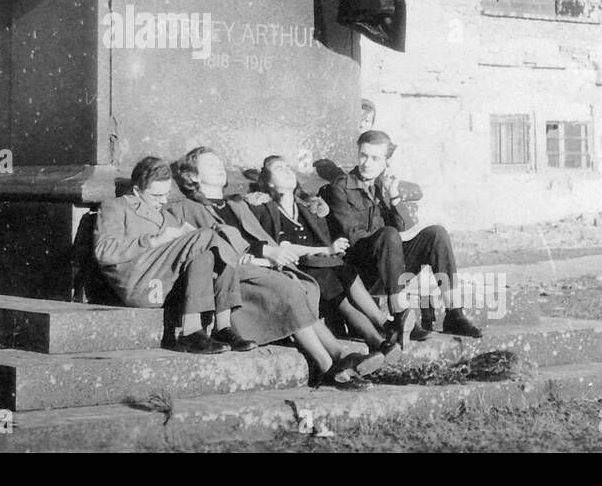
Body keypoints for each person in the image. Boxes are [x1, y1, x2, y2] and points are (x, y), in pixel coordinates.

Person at [167, 147, 379, 389]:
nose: (219, 168)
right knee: (288, 289)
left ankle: (338, 357)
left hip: (264, 269)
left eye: (220, 163)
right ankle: (326, 364)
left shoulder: (237, 205)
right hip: (232, 277)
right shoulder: (184, 208)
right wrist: (259, 257)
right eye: (210, 165)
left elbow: (262, 239)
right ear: (192, 176)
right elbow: (201, 250)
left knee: (300, 286)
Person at [321, 130, 483, 342]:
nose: (367, 163)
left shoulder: (382, 186)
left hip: (391, 266)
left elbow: (404, 228)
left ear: (386, 162)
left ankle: (454, 313)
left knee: (436, 234)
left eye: (375, 158)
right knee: (388, 235)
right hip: (362, 271)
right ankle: (400, 316)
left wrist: (394, 196)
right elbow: (354, 238)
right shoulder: (340, 188)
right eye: (363, 155)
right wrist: (390, 240)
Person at [94, 157, 255, 354]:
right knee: (206, 236)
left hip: (167, 282)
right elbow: (104, 251)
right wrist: (154, 240)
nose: (163, 201)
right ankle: (192, 330)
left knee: (208, 249)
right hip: (140, 282)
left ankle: (219, 327)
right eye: (156, 195)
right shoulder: (116, 207)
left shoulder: (165, 214)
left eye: (166, 194)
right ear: (136, 191)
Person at [249, 156, 405, 358]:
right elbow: (280, 247)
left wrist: (330, 249)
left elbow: (321, 240)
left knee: (343, 269)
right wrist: (326, 250)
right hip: (294, 269)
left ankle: (384, 328)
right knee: (337, 292)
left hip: (318, 264)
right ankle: (379, 340)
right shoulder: (264, 209)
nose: (288, 171)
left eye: (288, 167)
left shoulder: (307, 208)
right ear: (269, 182)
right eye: (279, 168)